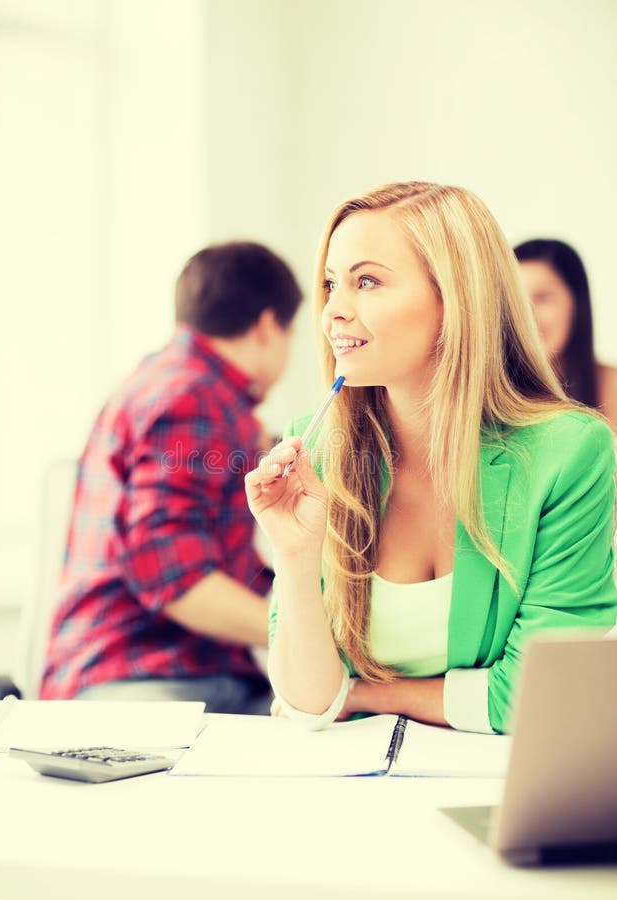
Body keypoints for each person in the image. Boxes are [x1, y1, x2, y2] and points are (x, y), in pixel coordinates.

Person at [245, 182, 617, 735]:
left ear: (456, 298)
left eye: (366, 281)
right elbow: (306, 704)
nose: (332, 313)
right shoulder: (315, 450)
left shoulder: (569, 452)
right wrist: (296, 559)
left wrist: (373, 694)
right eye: (330, 284)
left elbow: (538, 696)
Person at [41, 241, 302, 711]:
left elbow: (202, 553)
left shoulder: (160, 379)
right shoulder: (196, 397)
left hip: (133, 669)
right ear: (267, 326)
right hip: (142, 674)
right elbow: (175, 579)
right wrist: (310, 634)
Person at [514, 238, 617, 433]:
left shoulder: (612, 386)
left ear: (577, 304)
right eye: (516, 300)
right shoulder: (488, 397)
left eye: (543, 297)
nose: (527, 315)